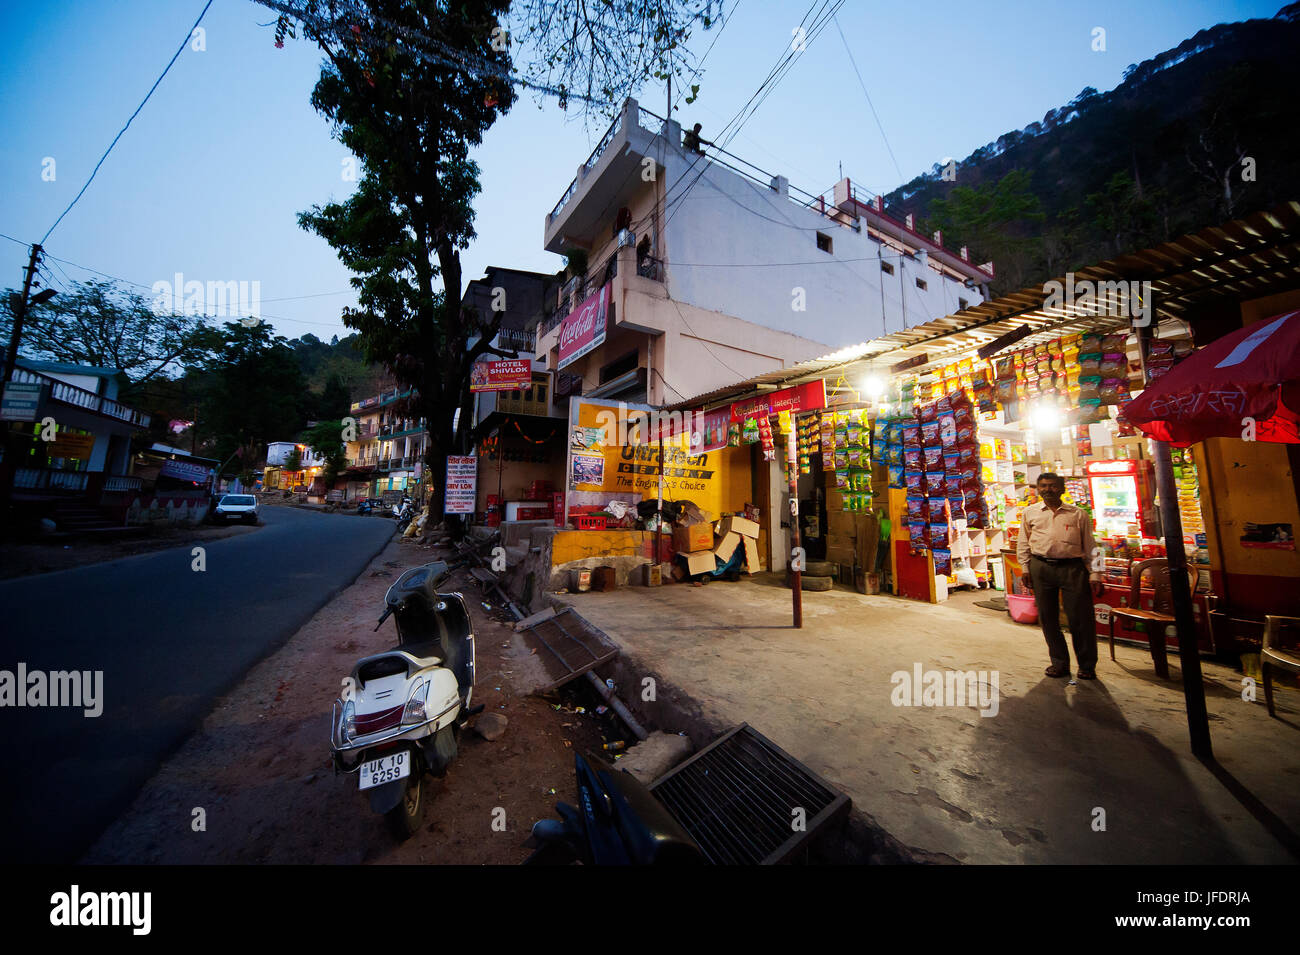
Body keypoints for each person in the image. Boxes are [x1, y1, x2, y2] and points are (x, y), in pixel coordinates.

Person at [1015, 472, 1105, 679]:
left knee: (1080, 619)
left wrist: (1096, 574)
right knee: (1048, 618)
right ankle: (1059, 663)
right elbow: (1023, 542)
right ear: (1038, 489)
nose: (1048, 489)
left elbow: (1093, 546)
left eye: (1052, 486)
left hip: (1072, 568)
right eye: (1043, 486)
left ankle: (1087, 665)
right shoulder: (1030, 513)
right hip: (1040, 567)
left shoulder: (1078, 514)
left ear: (1062, 489)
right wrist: (1026, 568)